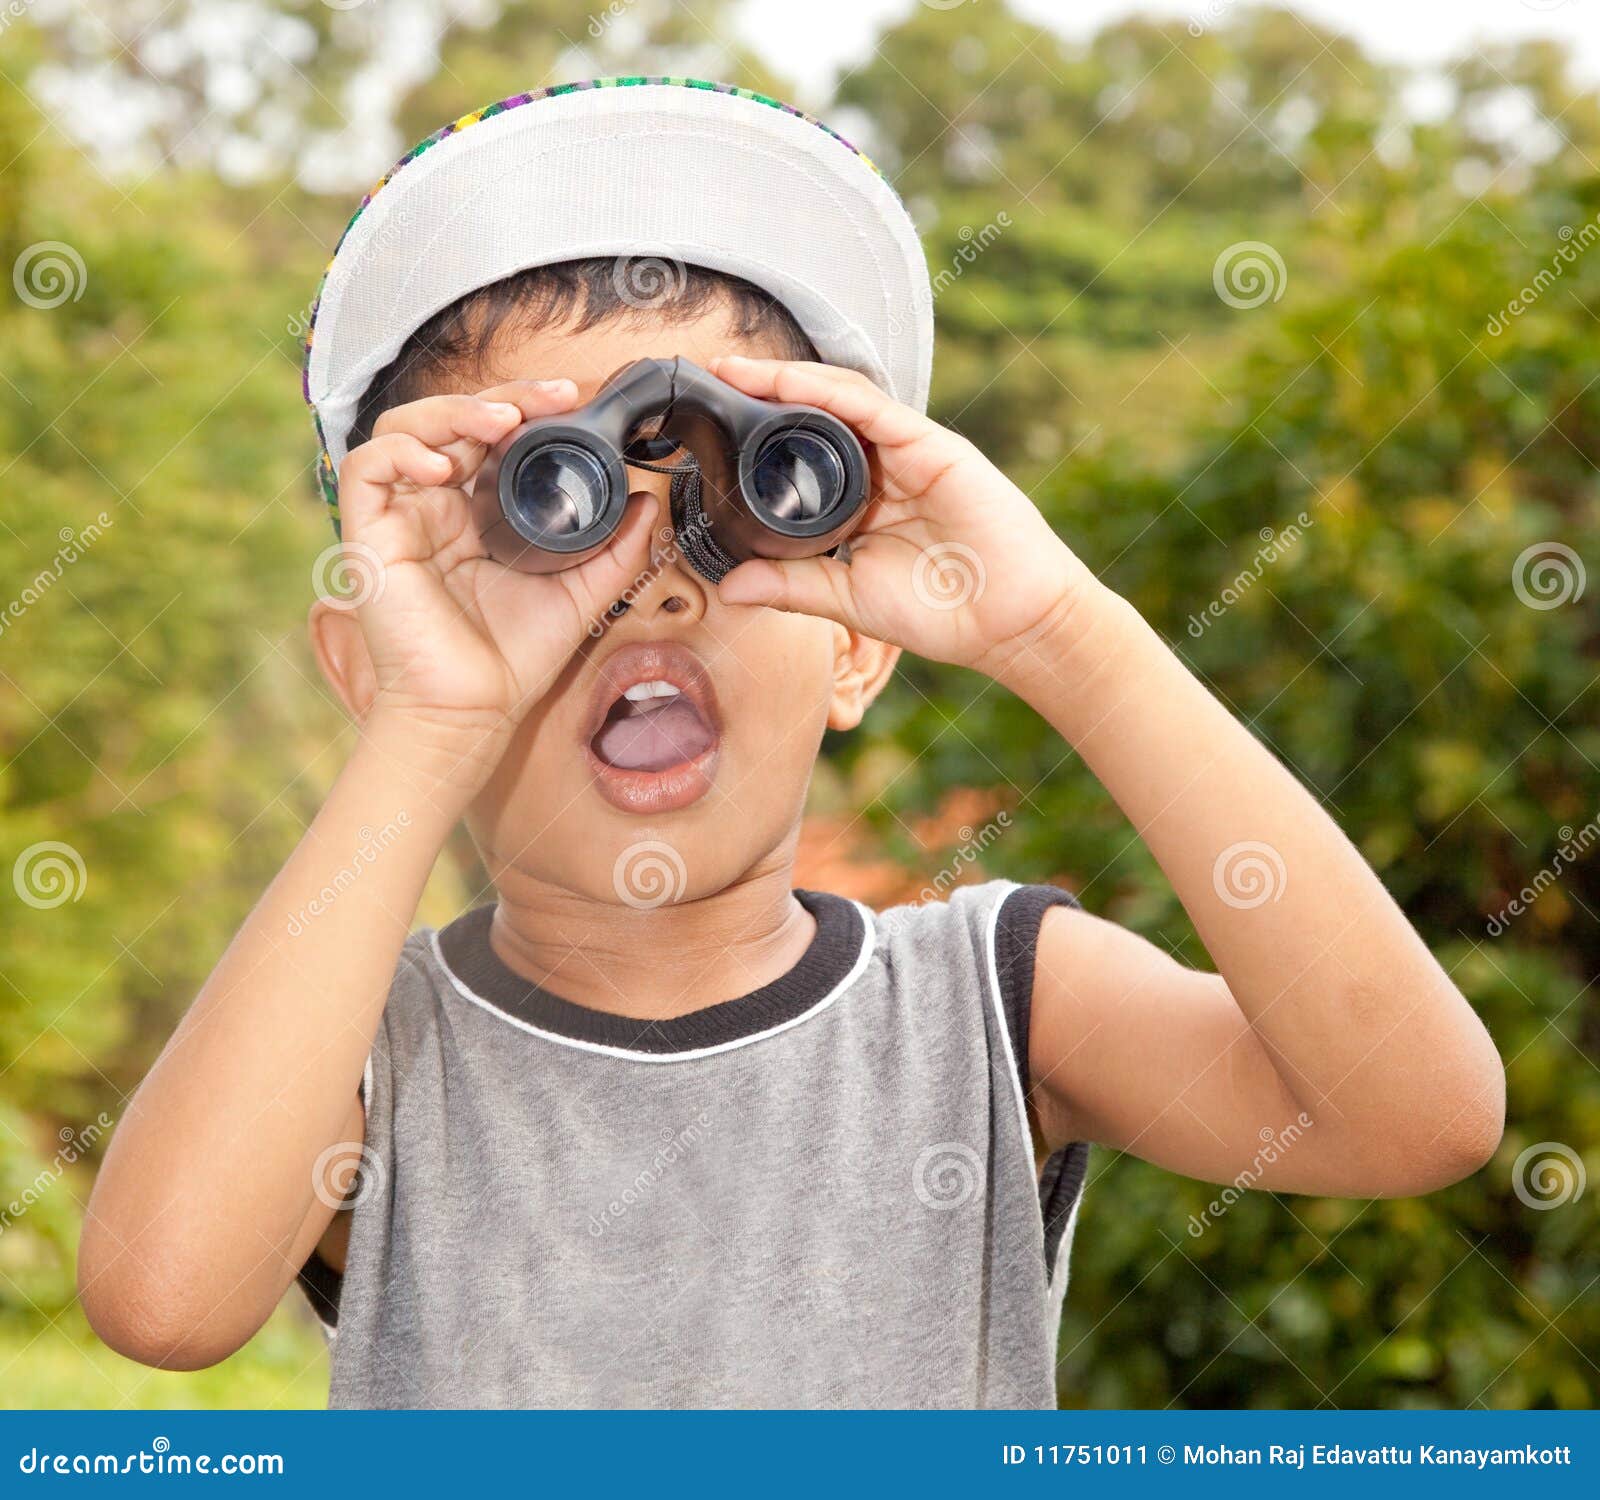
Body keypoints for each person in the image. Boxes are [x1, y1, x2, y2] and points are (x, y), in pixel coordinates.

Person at [78, 79, 1504, 1409]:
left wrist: (1063, 632)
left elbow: (1415, 1116)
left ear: (859, 646)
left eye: (734, 497)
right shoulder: (366, 1060)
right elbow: (164, 1299)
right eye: (552, 506)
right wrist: (433, 721)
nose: (648, 582)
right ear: (374, 661)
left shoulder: (1000, 1007)